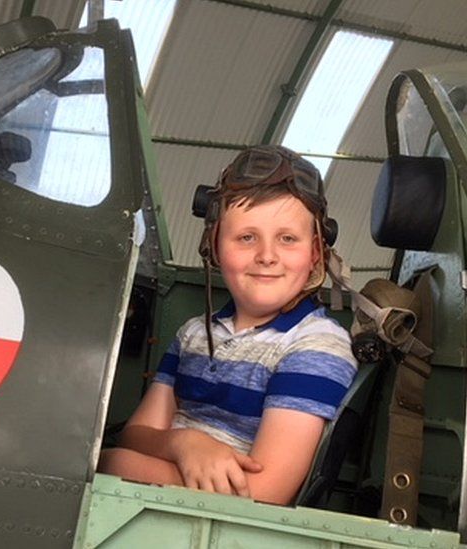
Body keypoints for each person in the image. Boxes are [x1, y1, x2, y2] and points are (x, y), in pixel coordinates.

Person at [98, 145, 357, 505]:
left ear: (316, 252)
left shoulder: (317, 346)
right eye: (246, 237)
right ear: (215, 247)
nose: (267, 255)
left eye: (288, 239)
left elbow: (265, 495)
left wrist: (119, 465)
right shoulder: (193, 334)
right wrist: (185, 444)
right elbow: (136, 435)